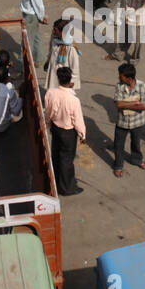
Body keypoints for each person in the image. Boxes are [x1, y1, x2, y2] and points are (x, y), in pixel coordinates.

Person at [44, 67, 85, 195]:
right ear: (70, 82)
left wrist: (48, 123)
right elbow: (77, 120)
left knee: (56, 155)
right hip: (68, 133)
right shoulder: (73, 100)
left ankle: (55, 179)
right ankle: (67, 187)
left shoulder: (51, 93)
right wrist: (82, 134)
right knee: (67, 160)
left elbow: (48, 111)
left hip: (56, 128)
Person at [112, 62, 145, 176]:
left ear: (129, 78)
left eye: (121, 75)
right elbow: (118, 104)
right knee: (118, 145)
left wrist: (126, 104)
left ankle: (137, 159)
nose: (119, 77)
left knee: (136, 143)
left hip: (137, 123)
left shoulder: (142, 86)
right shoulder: (119, 86)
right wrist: (134, 103)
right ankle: (118, 165)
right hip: (122, 122)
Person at [13, 0, 46, 67]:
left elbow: (38, 3)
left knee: (26, 41)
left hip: (30, 17)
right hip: (31, 15)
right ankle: (39, 59)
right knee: (36, 37)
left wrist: (41, 17)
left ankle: (22, 67)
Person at [43, 19, 81, 93]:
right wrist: (48, 61)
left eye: (55, 30)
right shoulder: (54, 39)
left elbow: (75, 68)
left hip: (64, 81)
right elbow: (51, 51)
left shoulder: (71, 48)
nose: (53, 32)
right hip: (53, 74)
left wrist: (71, 82)